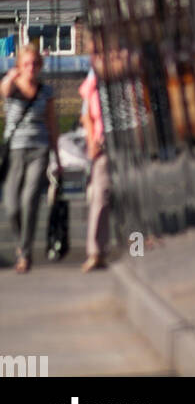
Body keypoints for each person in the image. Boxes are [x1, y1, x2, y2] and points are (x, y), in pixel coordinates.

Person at [1, 42, 62, 273]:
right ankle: (20, 244)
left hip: (39, 148)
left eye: (35, 63)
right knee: (12, 205)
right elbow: (4, 90)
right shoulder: (12, 86)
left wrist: (57, 157)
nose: (31, 67)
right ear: (19, 65)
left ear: (41, 65)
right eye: (26, 63)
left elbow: (52, 124)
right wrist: (11, 75)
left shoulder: (46, 91)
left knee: (29, 201)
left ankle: (25, 253)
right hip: (15, 150)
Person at [79, 51, 111, 272]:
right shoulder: (94, 78)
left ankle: (137, 249)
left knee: (132, 198)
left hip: (128, 142)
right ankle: (95, 252)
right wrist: (92, 141)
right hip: (102, 143)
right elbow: (86, 114)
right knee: (99, 196)